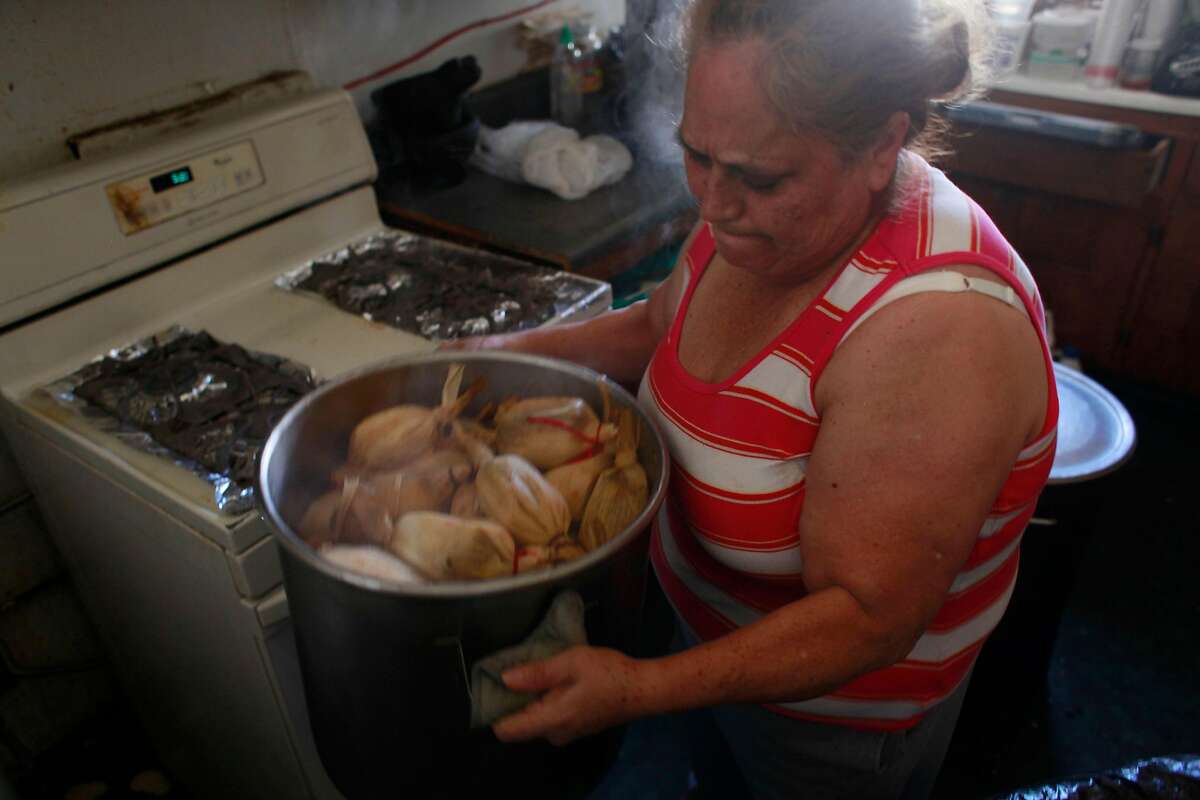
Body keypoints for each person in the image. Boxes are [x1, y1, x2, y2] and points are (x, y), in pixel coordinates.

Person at [444, 1, 1059, 797]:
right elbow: (663, 323)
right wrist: (494, 359)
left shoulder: (938, 330)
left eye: (757, 177)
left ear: (881, 146)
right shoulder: (762, 216)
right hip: (717, 650)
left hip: (830, 725)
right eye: (696, 155)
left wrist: (637, 689)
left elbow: (869, 617)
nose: (712, 204)